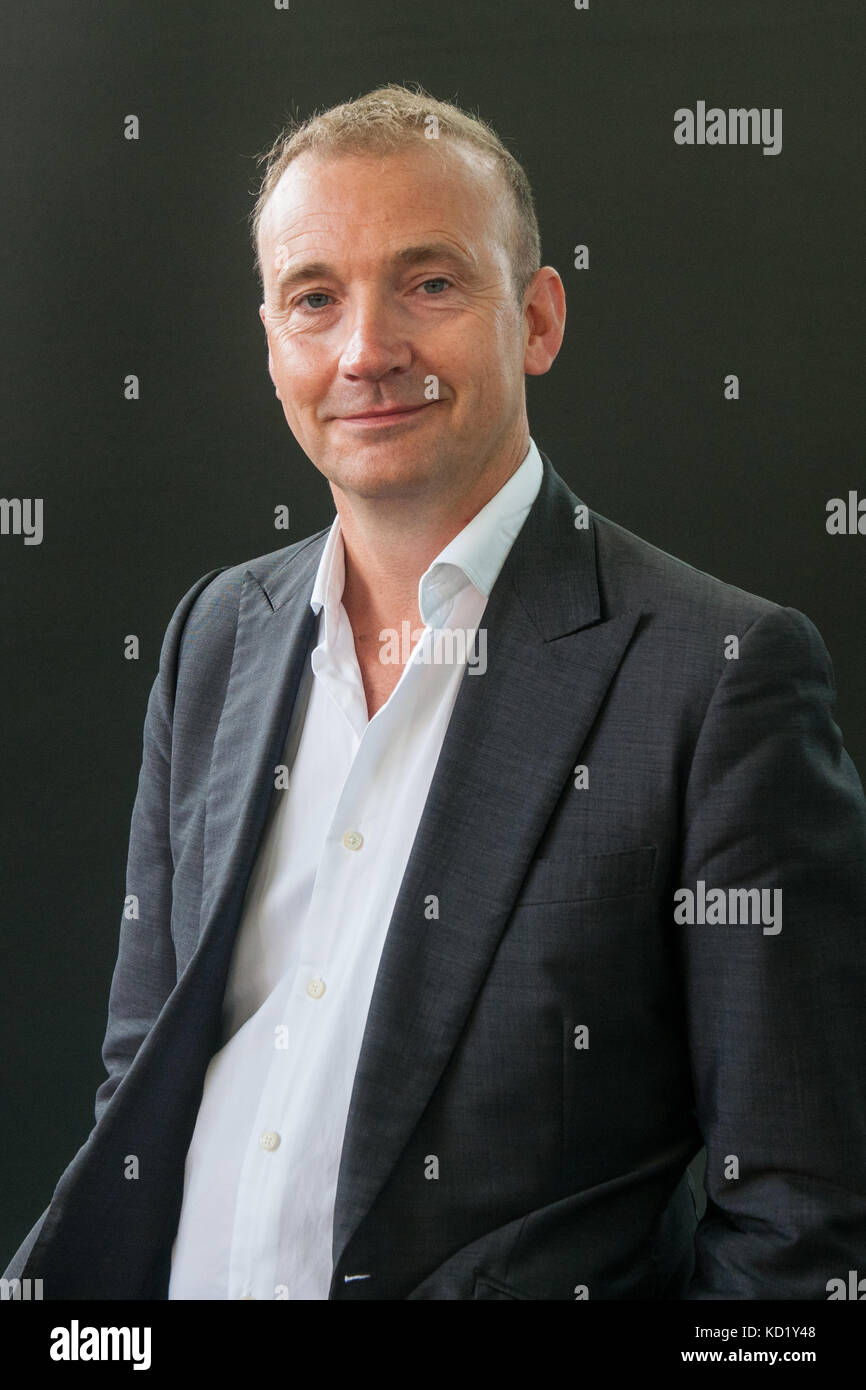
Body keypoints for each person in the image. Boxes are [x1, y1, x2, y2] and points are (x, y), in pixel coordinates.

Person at [4, 83, 866, 1301]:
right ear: (270, 342)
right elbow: (144, 1078)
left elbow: (798, 1218)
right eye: (315, 298)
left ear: (537, 317)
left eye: (429, 283)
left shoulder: (718, 678)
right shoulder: (214, 634)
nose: (364, 350)